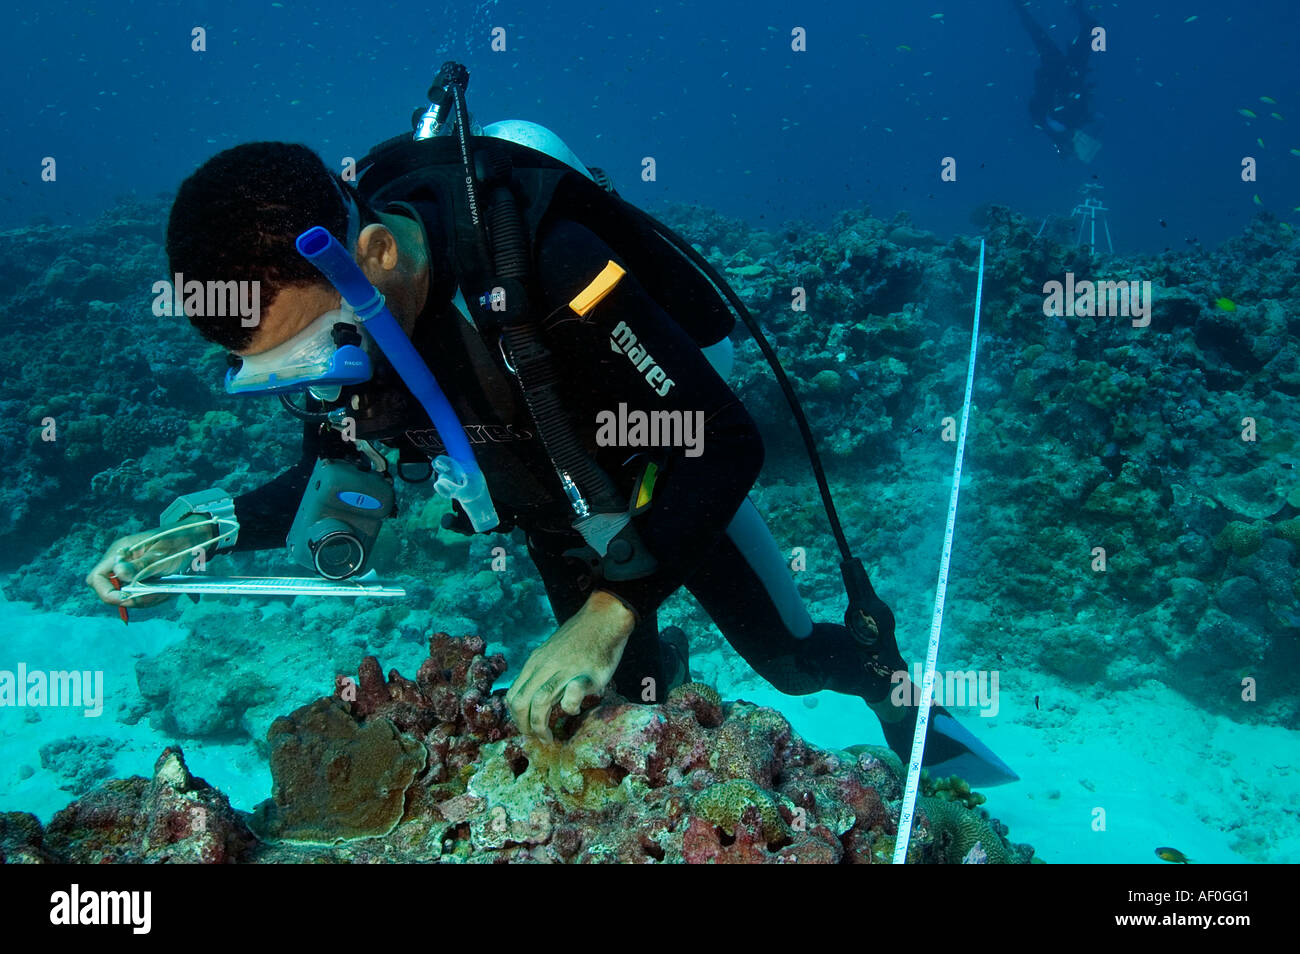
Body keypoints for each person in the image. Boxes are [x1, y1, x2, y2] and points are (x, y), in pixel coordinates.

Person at [85, 77, 1015, 784]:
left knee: (790, 665)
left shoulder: (548, 264)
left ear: (370, 253)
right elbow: (339, 482)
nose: (329, 380)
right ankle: (662, 662)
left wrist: (612, 608)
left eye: (322, 344)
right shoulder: (342, 351)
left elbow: (724, 440)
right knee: (614, 709)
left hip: (660, 482)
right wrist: (196, 537)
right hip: (552, 519)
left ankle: (895, 694)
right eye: (286, 372)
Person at [1011, 0, 1103, 161]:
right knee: (1091, 28)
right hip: (1069, 72)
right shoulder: (1072, 122)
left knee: (1038, 35)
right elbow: (1094, 114)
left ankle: (1019, 6)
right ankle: (1021, 7)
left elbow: (1036, 107)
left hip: (1057, 70)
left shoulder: (1052, 124)